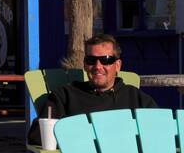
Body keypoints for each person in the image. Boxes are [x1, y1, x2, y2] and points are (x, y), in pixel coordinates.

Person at [28, 33, 158, 143]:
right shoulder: (66, 96)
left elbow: (162, 132)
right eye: (91, 60)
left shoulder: (135, 97)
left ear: (117, 65)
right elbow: (36, 136)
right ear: (85, 65)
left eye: (105, 60)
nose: (97, 66)